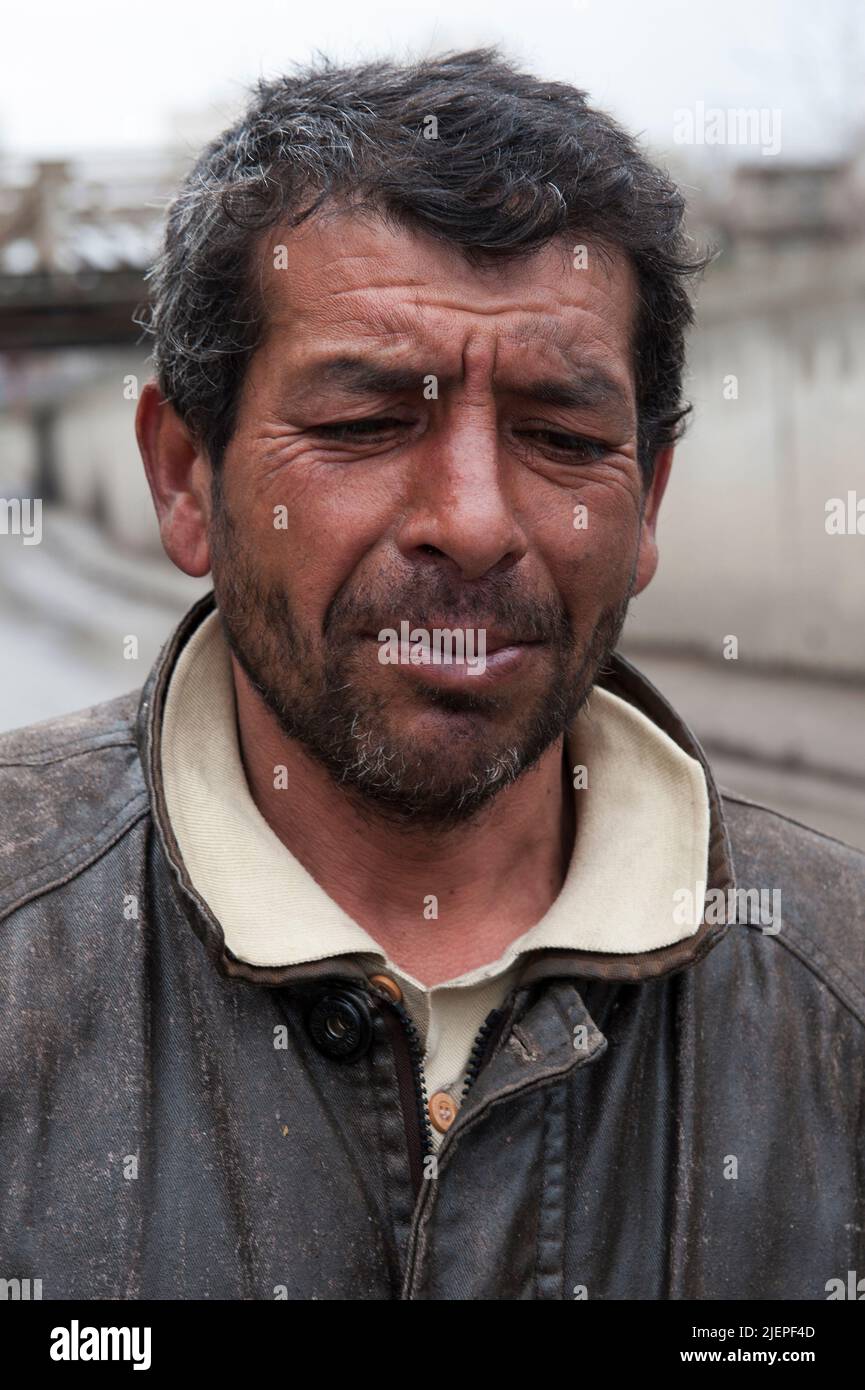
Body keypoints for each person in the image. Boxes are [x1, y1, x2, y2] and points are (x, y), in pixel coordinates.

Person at [1, 48, 862, 1301]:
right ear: (184, 475)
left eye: (563, 440)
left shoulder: (830, 995)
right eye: (362, 426)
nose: (472, 521)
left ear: (648, 503)